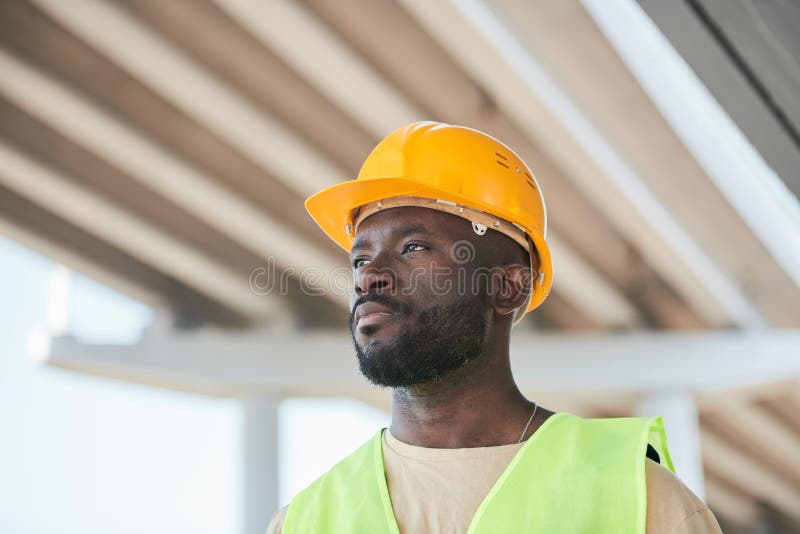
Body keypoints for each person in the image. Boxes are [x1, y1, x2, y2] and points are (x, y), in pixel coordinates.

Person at [267, 122, 721, 533]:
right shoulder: (304, 522)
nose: (368, 276)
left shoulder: (643, 501)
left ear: (507, 286)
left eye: (413, 247)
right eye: (360, 259)